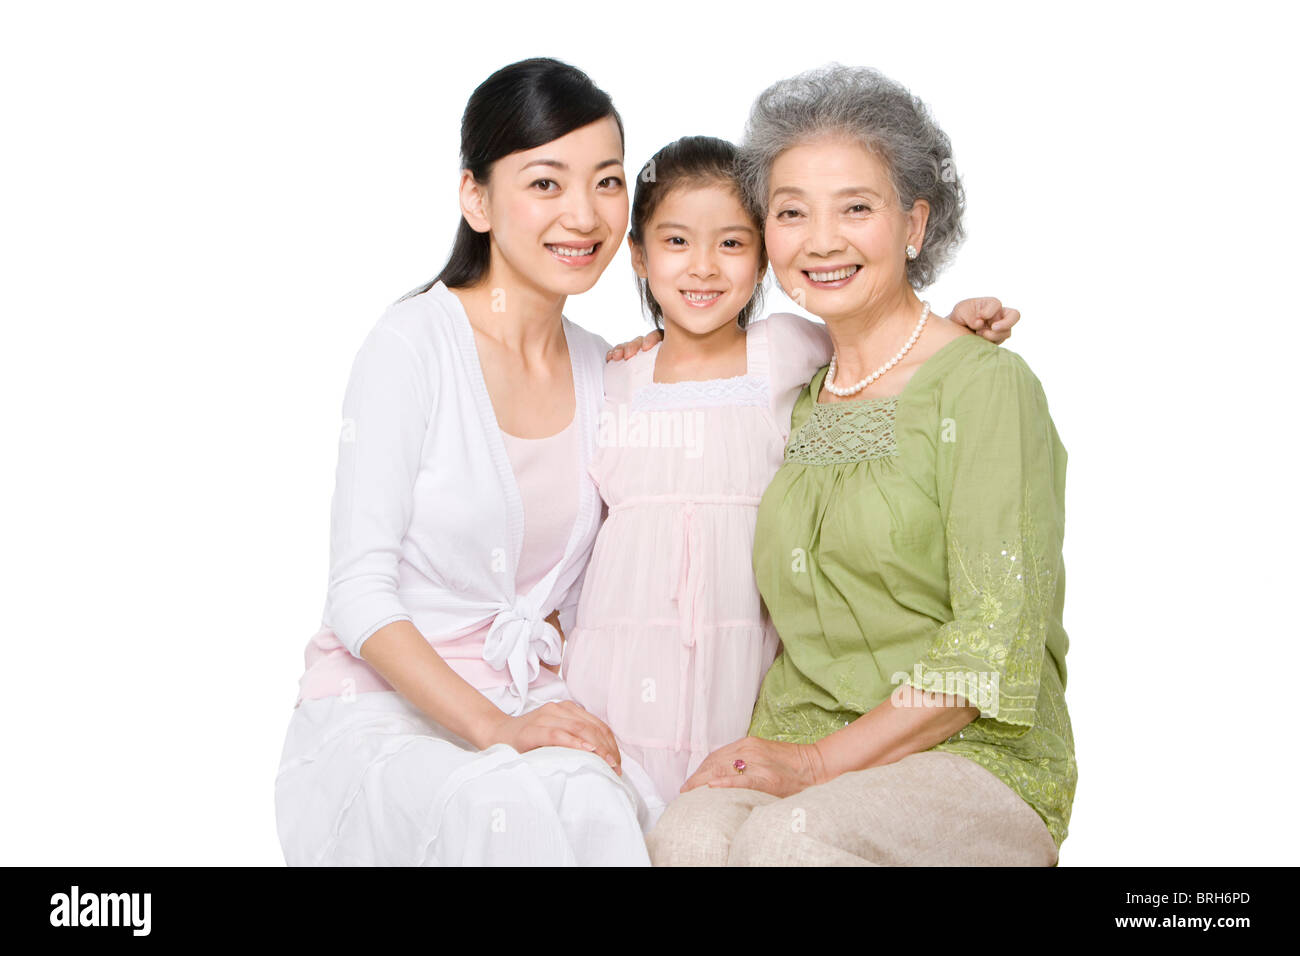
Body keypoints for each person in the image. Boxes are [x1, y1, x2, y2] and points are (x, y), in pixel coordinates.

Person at [647, 64, 1077, 866]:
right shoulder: (804, 396)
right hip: (802, 733)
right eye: (791, 212)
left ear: (914, 224)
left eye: (856, 207)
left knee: (786, 843)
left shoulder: (986, 387)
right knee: (687, 837)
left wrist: (814, 766)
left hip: (973, 757)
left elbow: (994, 638)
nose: (821, 240)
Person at [564, 135, 1020, 814]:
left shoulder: (782, 351)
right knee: (612, 819)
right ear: (638, 254)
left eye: (732, 244)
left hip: (740, 653)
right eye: (677, 242)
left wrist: (955, 327)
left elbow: (882, 357)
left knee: (715, 807)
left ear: (763, 256)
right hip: (619, 651)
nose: (704, 269)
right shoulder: (611, 380)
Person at [273, 58, 653, 866]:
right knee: (497, 804)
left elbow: (750, 379)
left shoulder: (605, 367)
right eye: (545, 184)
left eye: (608, 182)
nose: (584, 215)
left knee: (598, 802)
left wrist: (936, 343)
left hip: (530, 697)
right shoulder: (412, 345)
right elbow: (358, 594)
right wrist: (497, 731)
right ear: (475, 198)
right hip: (383, 711)